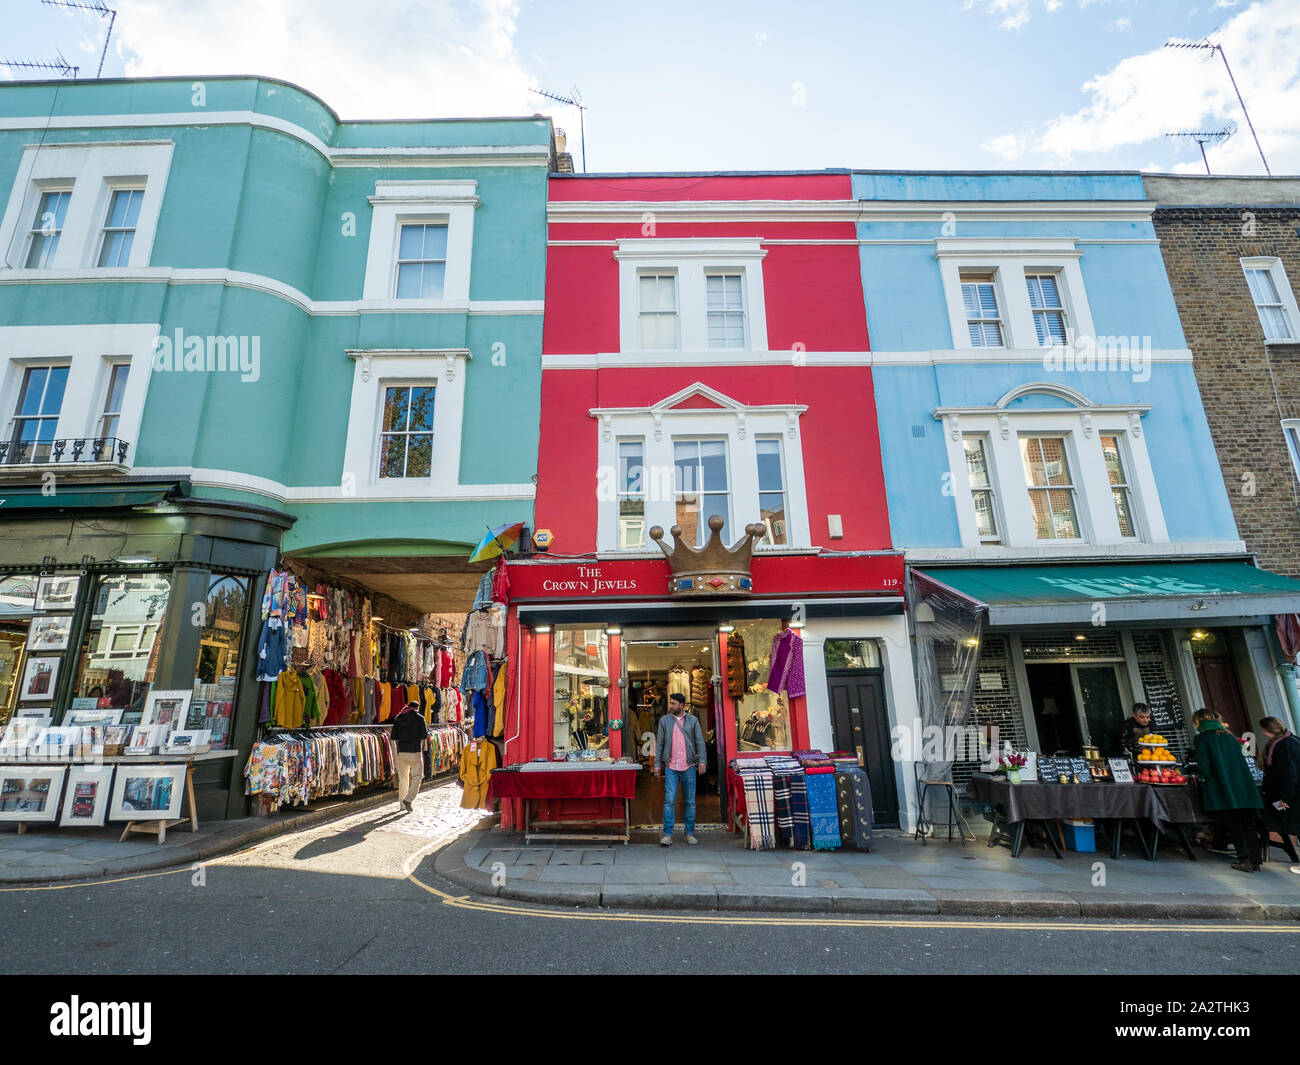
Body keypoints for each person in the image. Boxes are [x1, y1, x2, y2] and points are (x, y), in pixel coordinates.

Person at [1191, 708, 1263, 871]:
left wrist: (1204, 776)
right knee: (1249, 824)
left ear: (1198, 721)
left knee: (1235, 825)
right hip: (1244, 786)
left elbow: (1204, 766)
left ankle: (1244, 860)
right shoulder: (1230, 737)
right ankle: (1255, 860)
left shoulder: (1202, 739)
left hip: (1224, 787)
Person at [655, 692, 706, 846]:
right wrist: (657, 764)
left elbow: (700, 743)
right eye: (670, 703)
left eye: (673, 704)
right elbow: (660, 745)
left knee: (690, 802)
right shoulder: (664, 721)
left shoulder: (693, 721)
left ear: (682, 706)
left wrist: (702, 761)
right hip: (671, 766)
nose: (670, 706)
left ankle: (689, 833)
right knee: (669, 801)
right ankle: (667, 834)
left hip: (689, 766)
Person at [1257, 716, 1300, 868]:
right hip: (1294, 791)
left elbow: (1289, 774)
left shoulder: (1281, 746)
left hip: (1289, 793)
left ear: (1268, 730)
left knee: (1290, 822)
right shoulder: (1294, 740)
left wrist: (1285, 798)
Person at [390, 700, 427, 813]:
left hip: (402, 752)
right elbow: (424, 735)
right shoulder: (420, 718)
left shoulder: (398, 718)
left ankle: (402, 804)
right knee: (417, 776)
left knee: (403, 779)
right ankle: (408, 799)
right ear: (417, 708)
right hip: (415, 752)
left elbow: (393, 736)